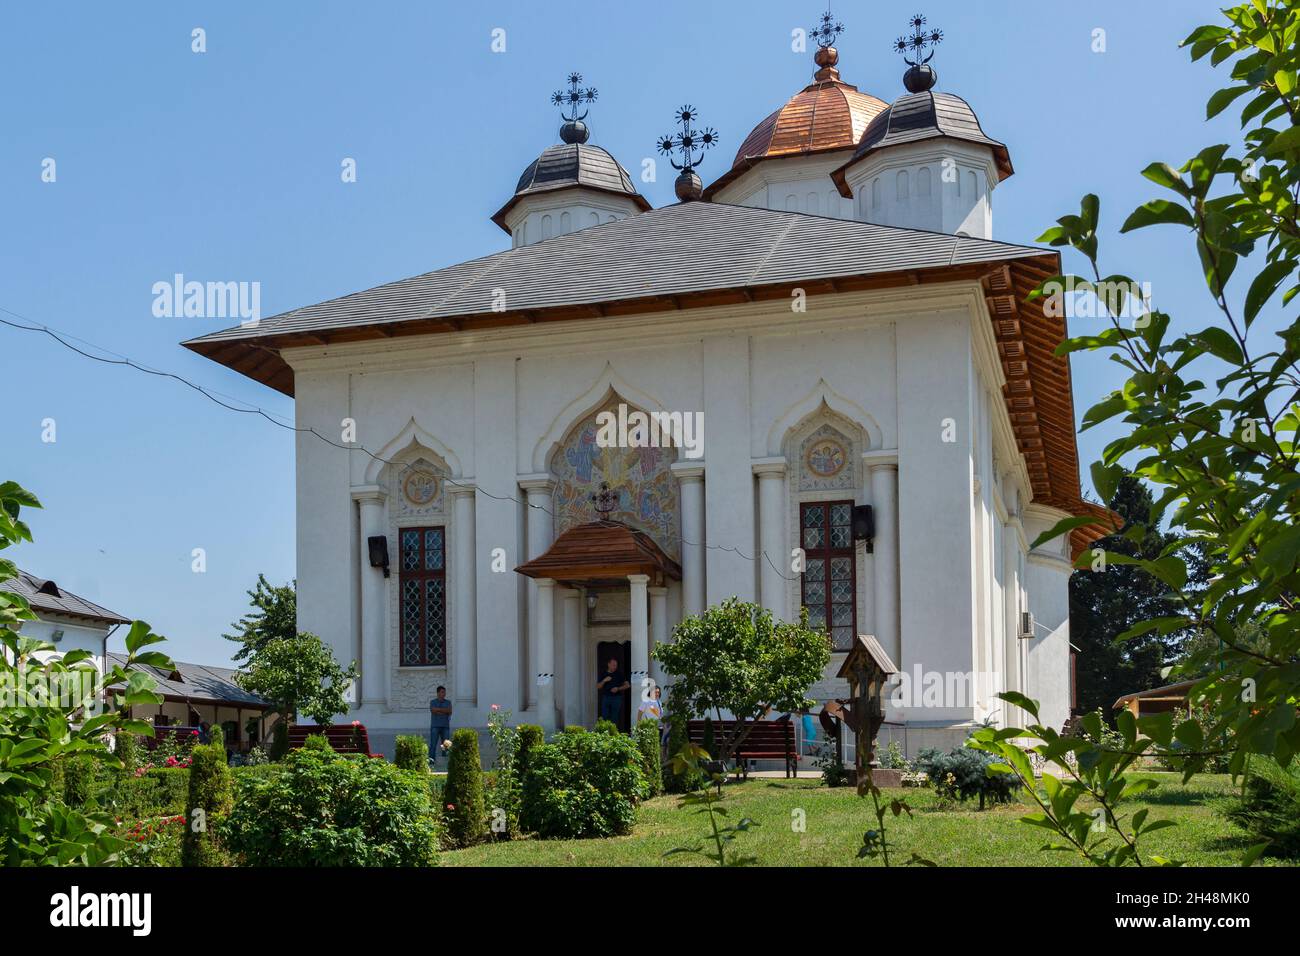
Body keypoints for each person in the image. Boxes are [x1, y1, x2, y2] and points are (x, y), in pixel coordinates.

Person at [595, 657, 628, 727]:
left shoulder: (619, 674)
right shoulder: (603, 673)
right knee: (604, 716)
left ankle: (613, 734)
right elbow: (598, 686)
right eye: (613, 665)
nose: (615, 667)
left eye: (616, 665)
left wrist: (618, 688)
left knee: (615, 717)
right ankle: (605, 733)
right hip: (606, 697)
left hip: (616, 698)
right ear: (608, 664)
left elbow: (627, 685)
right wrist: (604, 680)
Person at [429, 686, 453, 765]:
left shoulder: (448, 702)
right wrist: (443, 711)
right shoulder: (433, 702)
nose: (444, 694)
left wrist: (438, 710)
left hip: (445, 726)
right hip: (435, 726)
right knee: (433, 744)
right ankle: (431, 761)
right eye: (442, 692)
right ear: (438, 693)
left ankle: (445, 762)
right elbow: (433, 710)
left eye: (444, 692)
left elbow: (449, 711)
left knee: (446, 745)